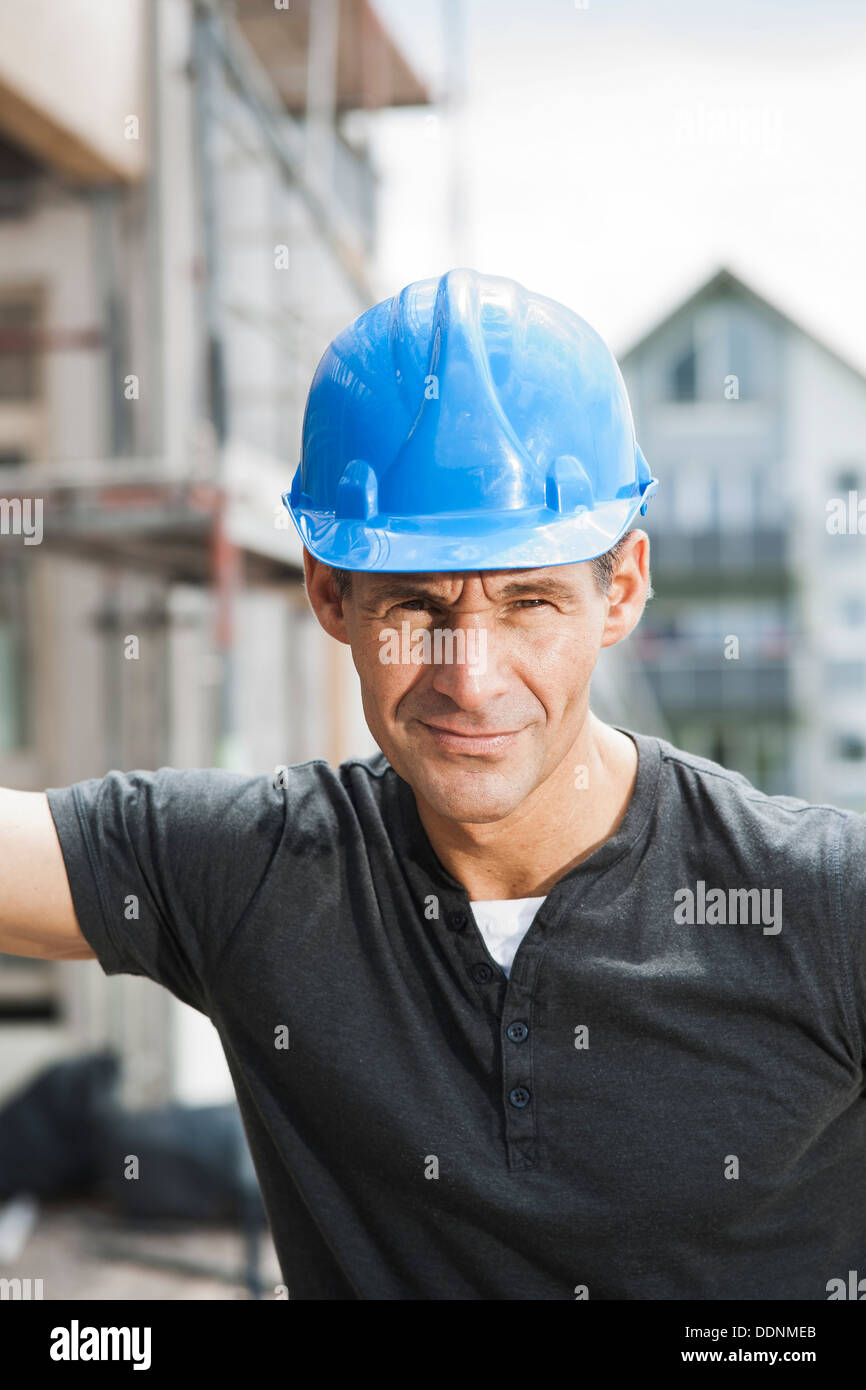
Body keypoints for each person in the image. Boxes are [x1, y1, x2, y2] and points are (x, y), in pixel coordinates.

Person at [1, 268, 863, 1301]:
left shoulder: (821, 905)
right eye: (415, 605)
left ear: (620, 589)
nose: (470, 676)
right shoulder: (260, 874)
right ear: (331, 595)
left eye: (529, 602)